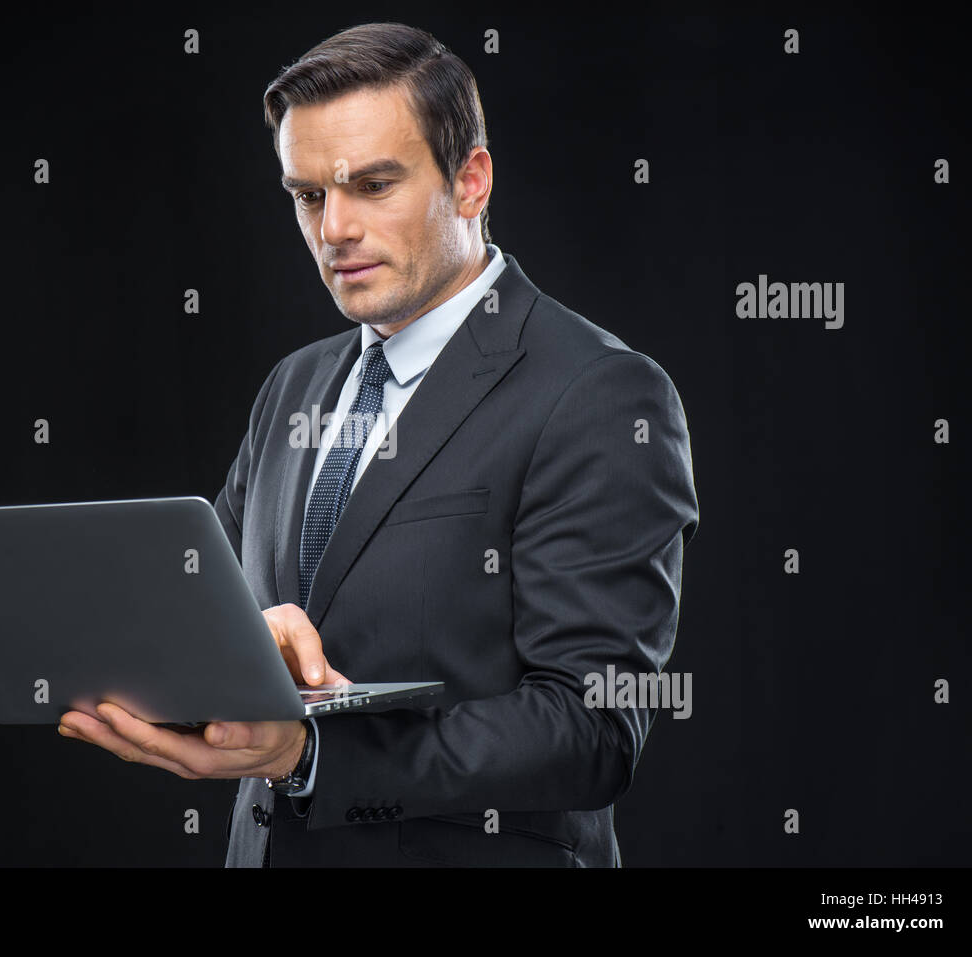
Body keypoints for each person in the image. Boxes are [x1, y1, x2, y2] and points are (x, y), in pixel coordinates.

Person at [58, 21, 699, 867]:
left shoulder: (601, 394)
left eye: (373, 185)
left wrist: (310, 753)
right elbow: (201, 620)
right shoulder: (293, 386)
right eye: (309, 195)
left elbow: (593, 729)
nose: (335, 230)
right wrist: (188, 675)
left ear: (471, 182)